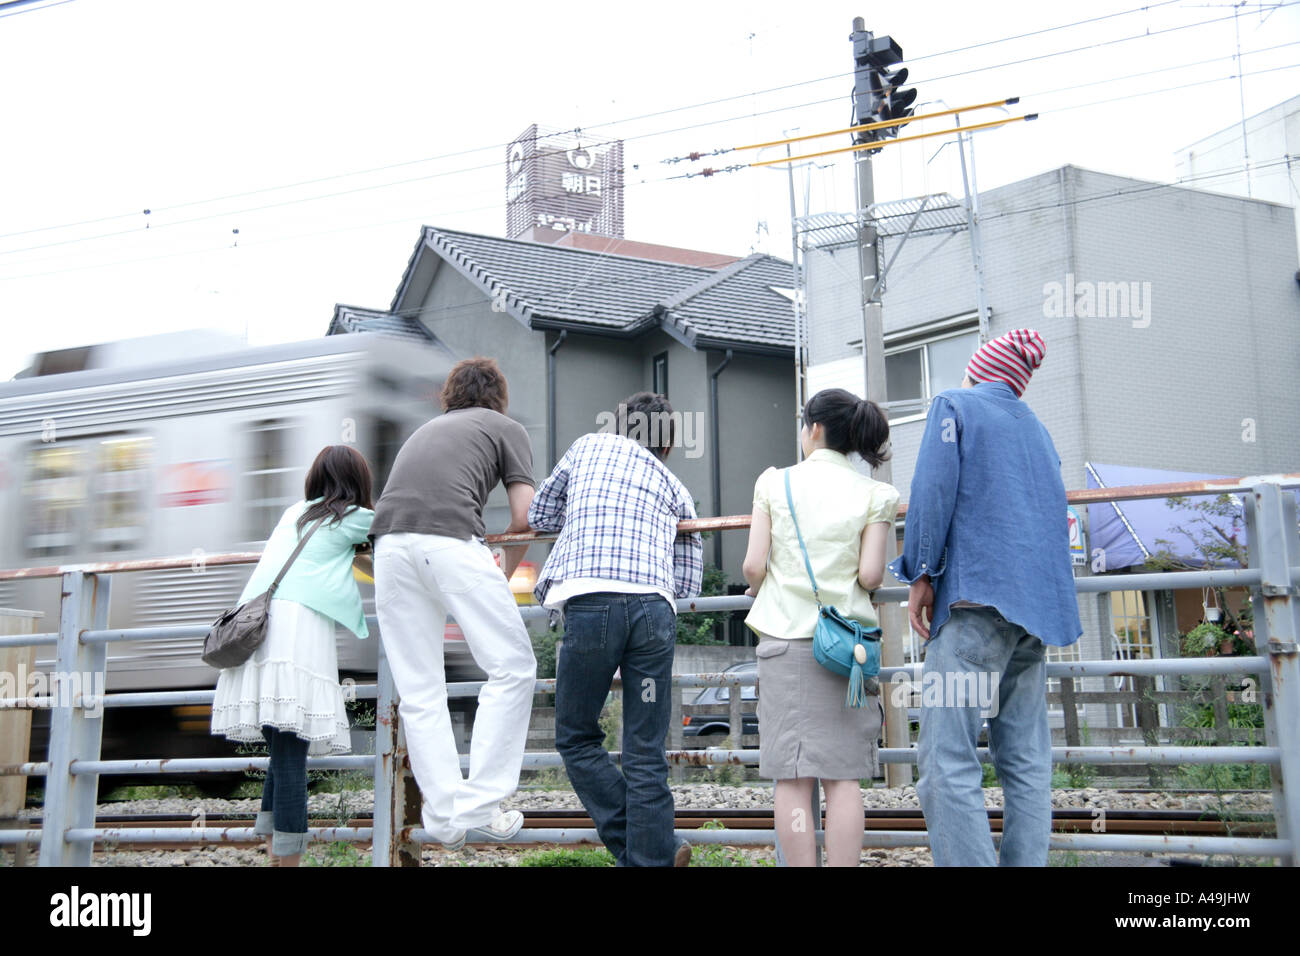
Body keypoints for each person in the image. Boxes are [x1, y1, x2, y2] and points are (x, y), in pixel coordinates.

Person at [888, 329, 1082, 867]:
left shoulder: (955, 405)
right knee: (1025, 760)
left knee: (946, 758)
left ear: (980, 370)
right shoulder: (1038, 431)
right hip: (1036, 616)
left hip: (975, 607)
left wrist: (921, 572)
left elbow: (932, 490)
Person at [530, 391, 703, 867]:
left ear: (619, 425)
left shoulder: (588, 447)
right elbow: (689, 572)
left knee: (576, 735)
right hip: (654, 614)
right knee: (645, 751)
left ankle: (647, 851)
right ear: (666, 446)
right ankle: (654, 853)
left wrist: (586, 516)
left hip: (593, 606)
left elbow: (539, 514)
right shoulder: (673, 485)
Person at [370, 356, 537, 849]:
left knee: (420, 689)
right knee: (512, 667)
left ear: (450, 396)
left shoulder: (426, 430)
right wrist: (502, 570)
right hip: (448, 545)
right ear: (498, 397)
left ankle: (445, 821)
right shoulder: (506, 427)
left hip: (389, 548)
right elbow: (523, 516)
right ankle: (483, 804)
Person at [741, 388, 898, 867]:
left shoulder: (774, 483)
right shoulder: (877, 494)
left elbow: (753, 566)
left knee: (791, 779)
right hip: (847, 650)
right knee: (844, 779)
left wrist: (761, 585)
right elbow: (872, 576)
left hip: (785, 644)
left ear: (813, 429)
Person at [211, 444, 375, 867]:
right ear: (357, 483)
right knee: (290, 758)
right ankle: (288, 861)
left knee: (283, 753)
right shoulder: (352, 519)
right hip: (294, 643)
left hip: (258, 637)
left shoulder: (295, 513)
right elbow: (397, 529)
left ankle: (275, 853)